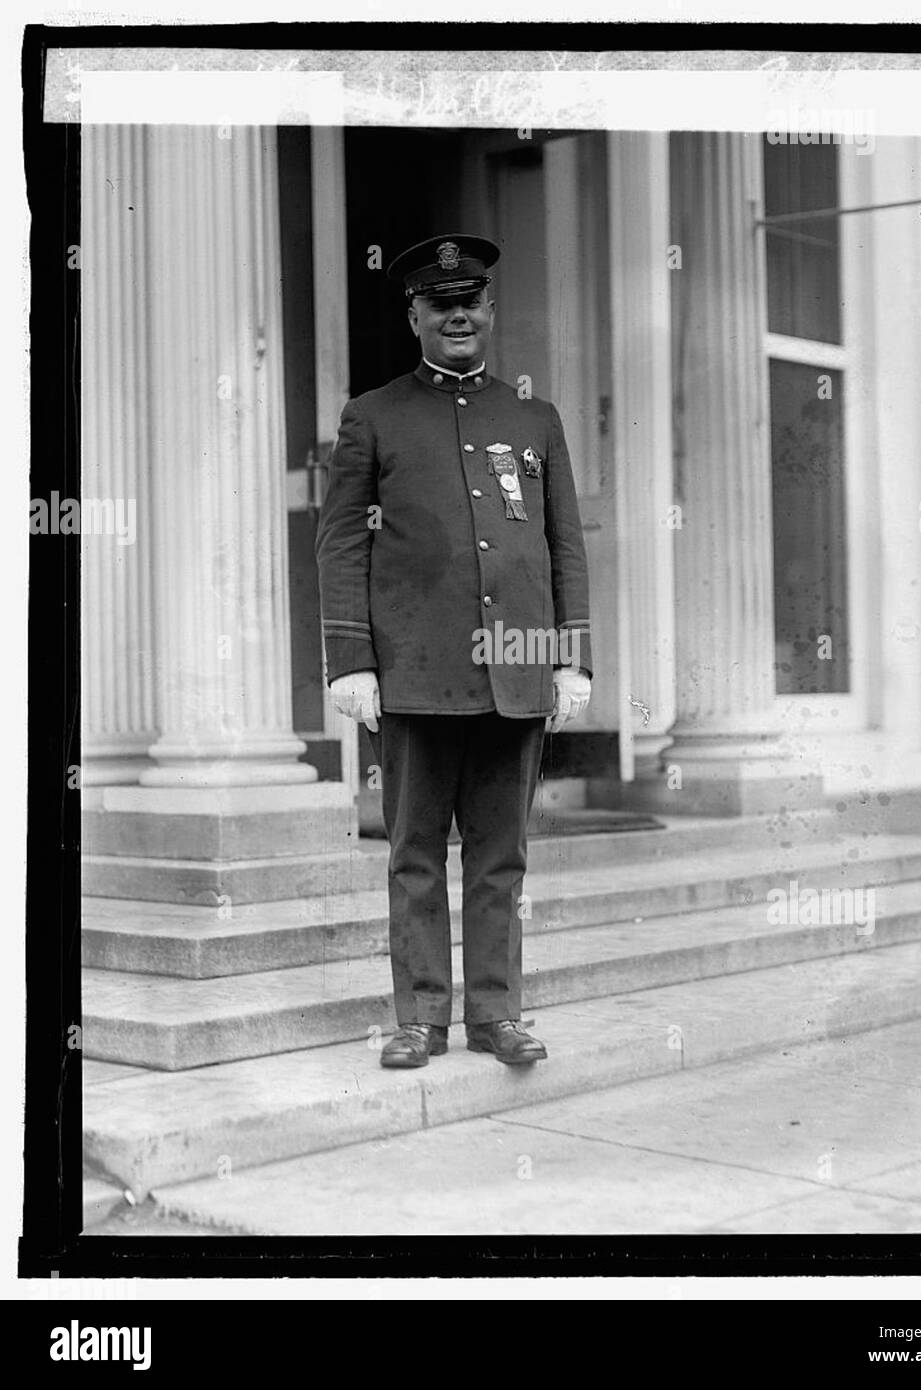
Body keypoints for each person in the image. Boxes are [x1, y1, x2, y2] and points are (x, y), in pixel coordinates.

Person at [315, 233, 592, 1068]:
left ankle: (496, 1016)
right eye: (440, 304)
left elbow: (562, 546)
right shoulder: (373, 415)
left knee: (501, 857)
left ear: (491, 311)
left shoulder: (533, 419)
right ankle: (420, 1020)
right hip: (413, 674)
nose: (458, 315)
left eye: (471, 301)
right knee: (414, 854)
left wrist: (569, 657)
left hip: (517, 666)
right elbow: (339, 545)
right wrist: (350, 660)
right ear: (414, 316)